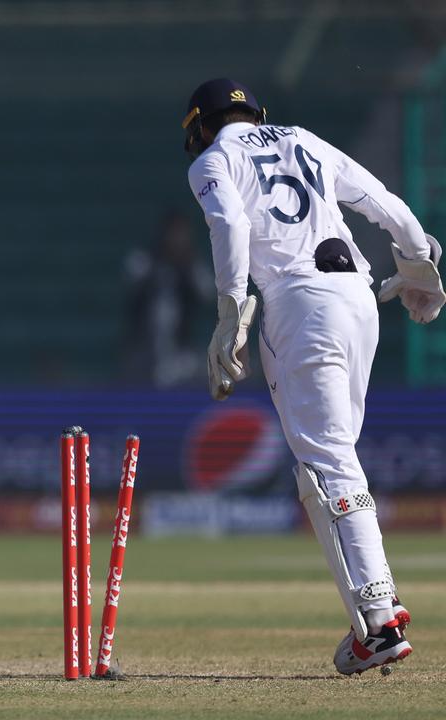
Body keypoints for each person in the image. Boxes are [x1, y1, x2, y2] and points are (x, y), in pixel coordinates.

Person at [183, 78, 445, 675]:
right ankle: (373, 620)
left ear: (199, 126)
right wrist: (420, 264)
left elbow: (230, 224)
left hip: (298, 303)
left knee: (325, 462)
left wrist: (229, 308)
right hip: (358, 298)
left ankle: (379, 620)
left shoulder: (214, 160)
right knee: (330, 458)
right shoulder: (301, 137)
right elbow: (381, 201)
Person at [122, 210, 215, 387]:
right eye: (174, 233)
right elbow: (131, 280)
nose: (177, 239)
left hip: (182, 347)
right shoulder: (147, 258)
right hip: (143, 345)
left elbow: (208, 292)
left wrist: (187, 267)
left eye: (182, 234)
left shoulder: (193, 264)